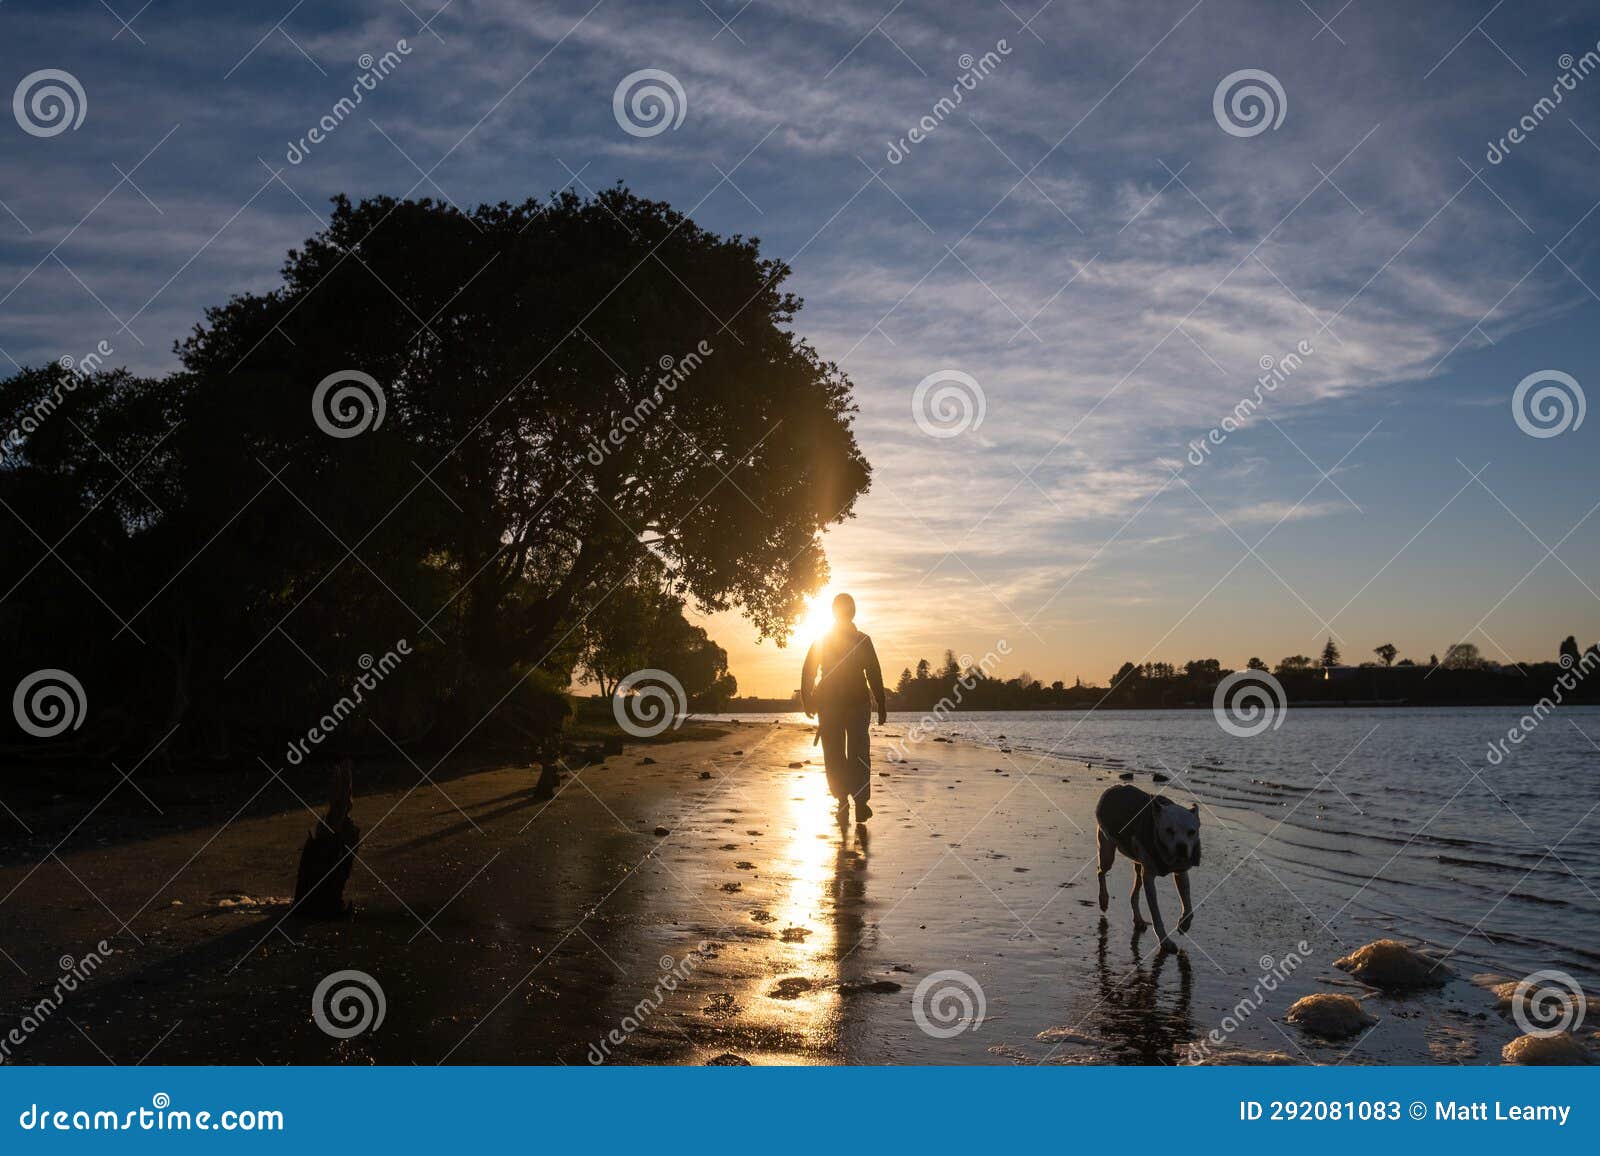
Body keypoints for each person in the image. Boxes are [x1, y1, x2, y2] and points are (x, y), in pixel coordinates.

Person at [800, 593, 887, 823]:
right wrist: (881, 702)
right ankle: (858, 803)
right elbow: (874, 673)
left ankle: (842, 803)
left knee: (834, 753)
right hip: (853, 704)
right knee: (858, 753)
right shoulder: (862, 639)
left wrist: (808, 700)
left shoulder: (825, 640)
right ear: (853, 612)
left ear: (833, 612)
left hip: (834, 705)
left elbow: (808, 671)